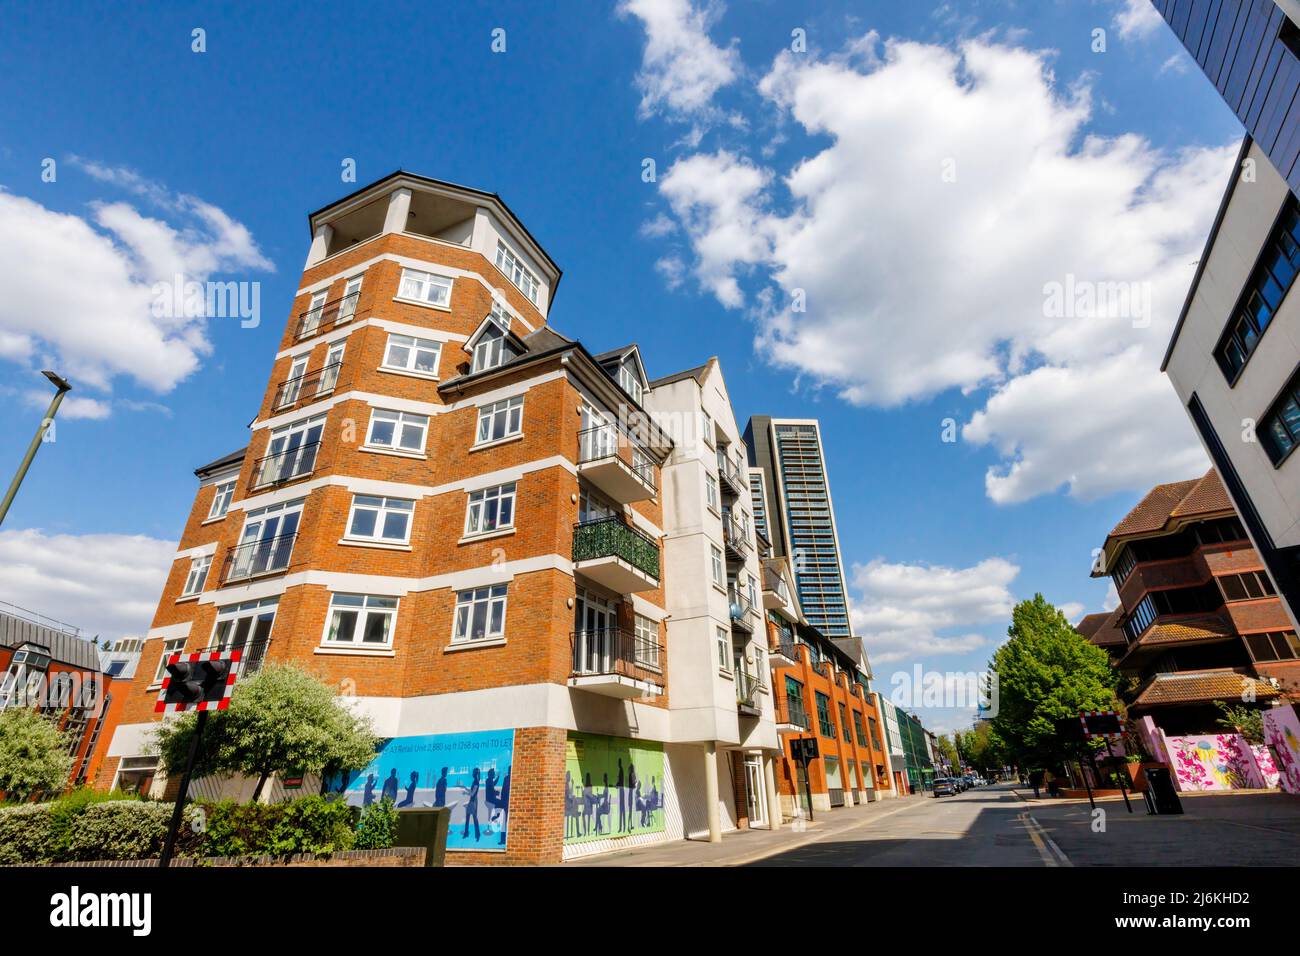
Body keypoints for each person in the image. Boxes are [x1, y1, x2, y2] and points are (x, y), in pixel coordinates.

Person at [462, 768, 481, 842]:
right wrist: (465, 788)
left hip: (473, 802)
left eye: (473, 772)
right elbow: (471, 791)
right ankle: (466, 833)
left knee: (474, 818)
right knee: (468, 817)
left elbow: (472, 793)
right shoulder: (475, 781)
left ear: (475, 773)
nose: (472, 774)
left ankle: (477, 835)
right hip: (472, 801)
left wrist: (465, 793)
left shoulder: (476, 782)